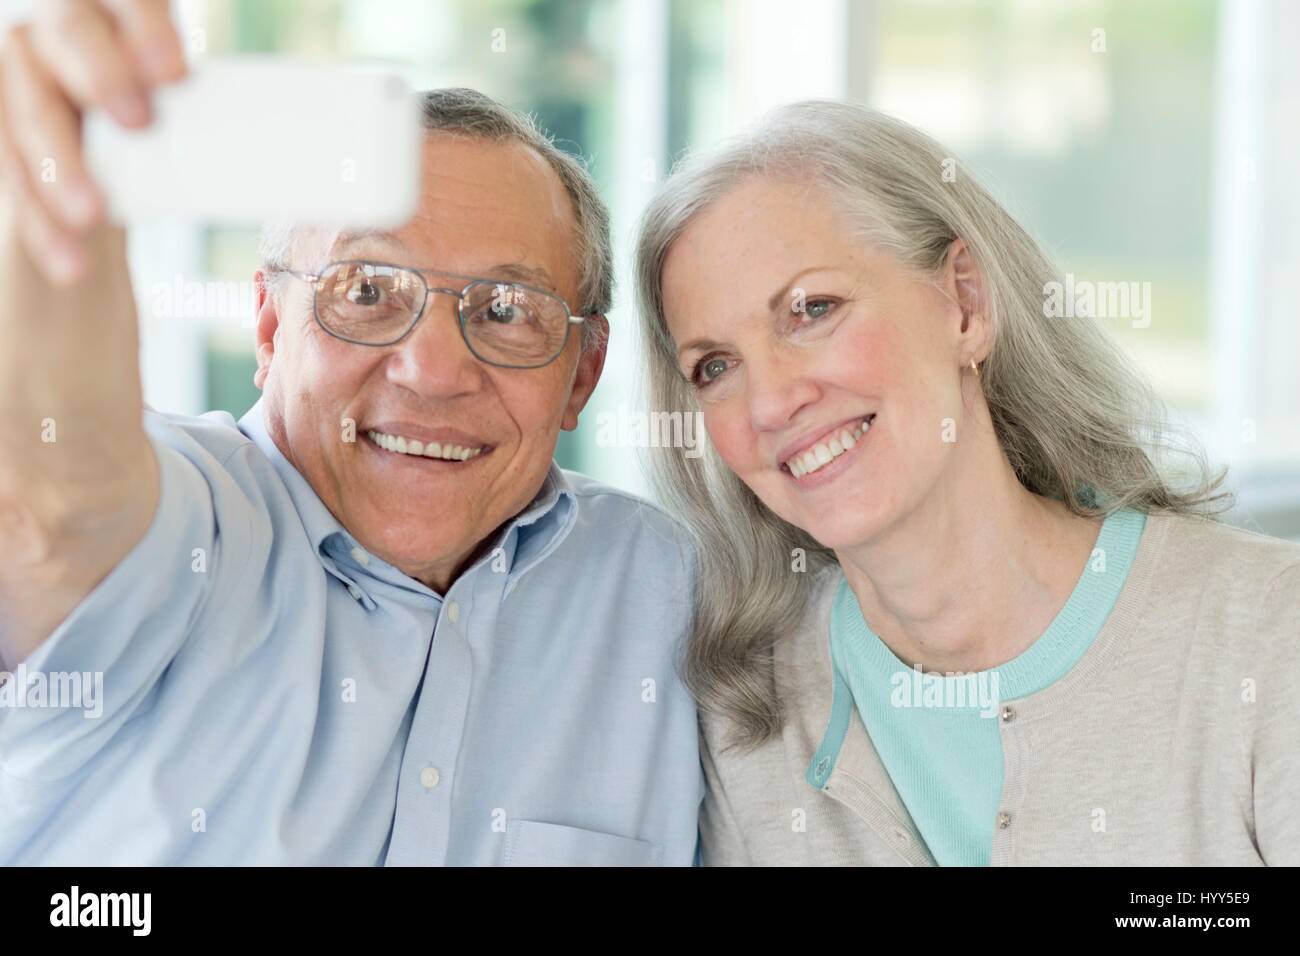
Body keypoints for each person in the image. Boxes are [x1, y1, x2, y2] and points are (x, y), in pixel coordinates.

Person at [0, 0, 701, 865]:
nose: (434, 371)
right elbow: (57, 510)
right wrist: (47, 201)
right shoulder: (187, 537)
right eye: (368, 291)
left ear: (583, 374)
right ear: (268, 327)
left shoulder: (674, 599)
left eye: (509, 310)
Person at [634, 99, 1300, 866]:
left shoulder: (1266, 639)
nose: (771, 401)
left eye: (813, 310)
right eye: (714, 367)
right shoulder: (749, 719)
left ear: (966, 304)